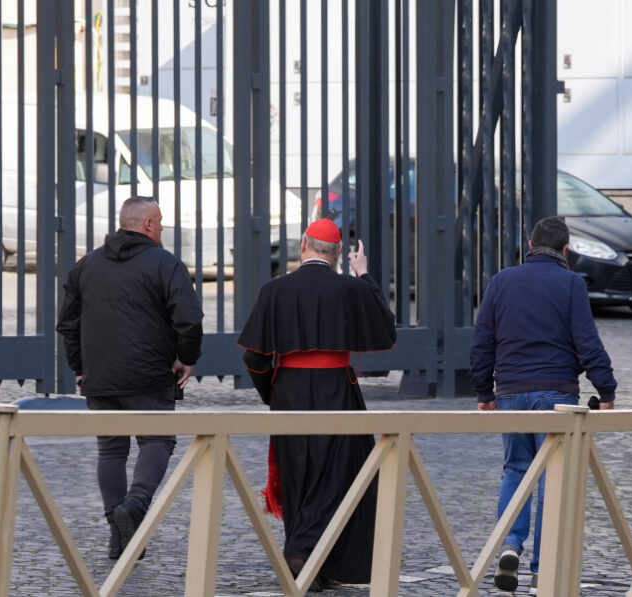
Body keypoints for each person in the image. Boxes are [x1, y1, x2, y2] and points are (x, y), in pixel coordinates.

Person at [237, 219, 396, 591]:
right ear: (338, 252)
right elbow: (385, 326)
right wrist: (364, 274)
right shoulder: (351, 288)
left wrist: (274, 393)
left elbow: (254, 358)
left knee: (297, 472)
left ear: (303, 244)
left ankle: (307, 557)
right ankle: (307, 556)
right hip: (337, 389)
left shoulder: (275, 290)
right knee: (337, 475)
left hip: (289, 391)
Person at [470, 215, 617, 595]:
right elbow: (587, 341)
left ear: (531, 244)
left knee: (515, 469)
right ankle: (542, 570)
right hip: (556, 393)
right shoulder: (571, 284)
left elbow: (482, 341)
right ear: (566, 249)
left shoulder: (501, 282)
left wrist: (485, 392)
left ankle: (509, 546)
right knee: (553, 476)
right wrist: (606, 390)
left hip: (511, 392)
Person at [56, 196, 203, 560]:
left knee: (111, 448)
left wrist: (80, 367)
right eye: (160, 221)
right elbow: (189, 319)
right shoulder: (165, 263)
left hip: (100, 377)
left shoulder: (86, 265)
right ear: (148, 225)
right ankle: (134, 506)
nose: (163, 227)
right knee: (158, 439)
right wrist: (186, 358)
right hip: (150, 375)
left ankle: (117, 536)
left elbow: (68, 325)